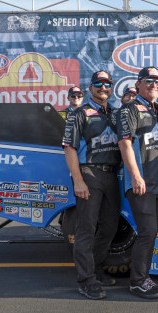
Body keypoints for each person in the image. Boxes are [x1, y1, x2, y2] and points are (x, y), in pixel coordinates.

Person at [62, 71, 121, 300]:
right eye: (98, 84)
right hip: (89, 173)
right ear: (90, 88)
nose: (103, 88)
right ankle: (86, 281)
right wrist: (78, 180)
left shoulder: (116, 114)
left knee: (109, 227)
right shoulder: (79, 114)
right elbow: (69, 148)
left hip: (111, 175)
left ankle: (95, 269)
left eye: (107, 84)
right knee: (86, 230)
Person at [115, 66, 158, 299]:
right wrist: (136, 177)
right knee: (147, 232)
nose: (154, 85)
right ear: (138, 84)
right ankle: (137, 281)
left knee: (151, 233)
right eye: (149, 81)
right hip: (142, 183)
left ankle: (144, 277)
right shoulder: (130, 109)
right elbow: (125, 144)